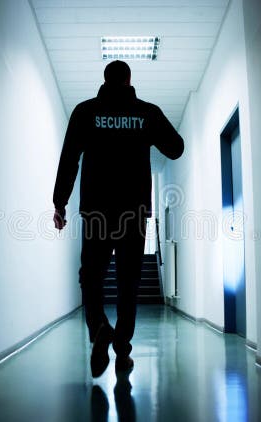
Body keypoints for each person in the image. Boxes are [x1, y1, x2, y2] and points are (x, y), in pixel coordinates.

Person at [52, 60, 184, 377]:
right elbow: (176, 148)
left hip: (96, 210)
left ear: (105, 80)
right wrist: (147, 131)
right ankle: (122, 353)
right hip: (134, 212)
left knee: (91, 278)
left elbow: (69, 158)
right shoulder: (147, 112)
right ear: (128, 80)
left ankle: (99, 328)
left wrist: (59, 203)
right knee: (128, 283)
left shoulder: (85, 112)